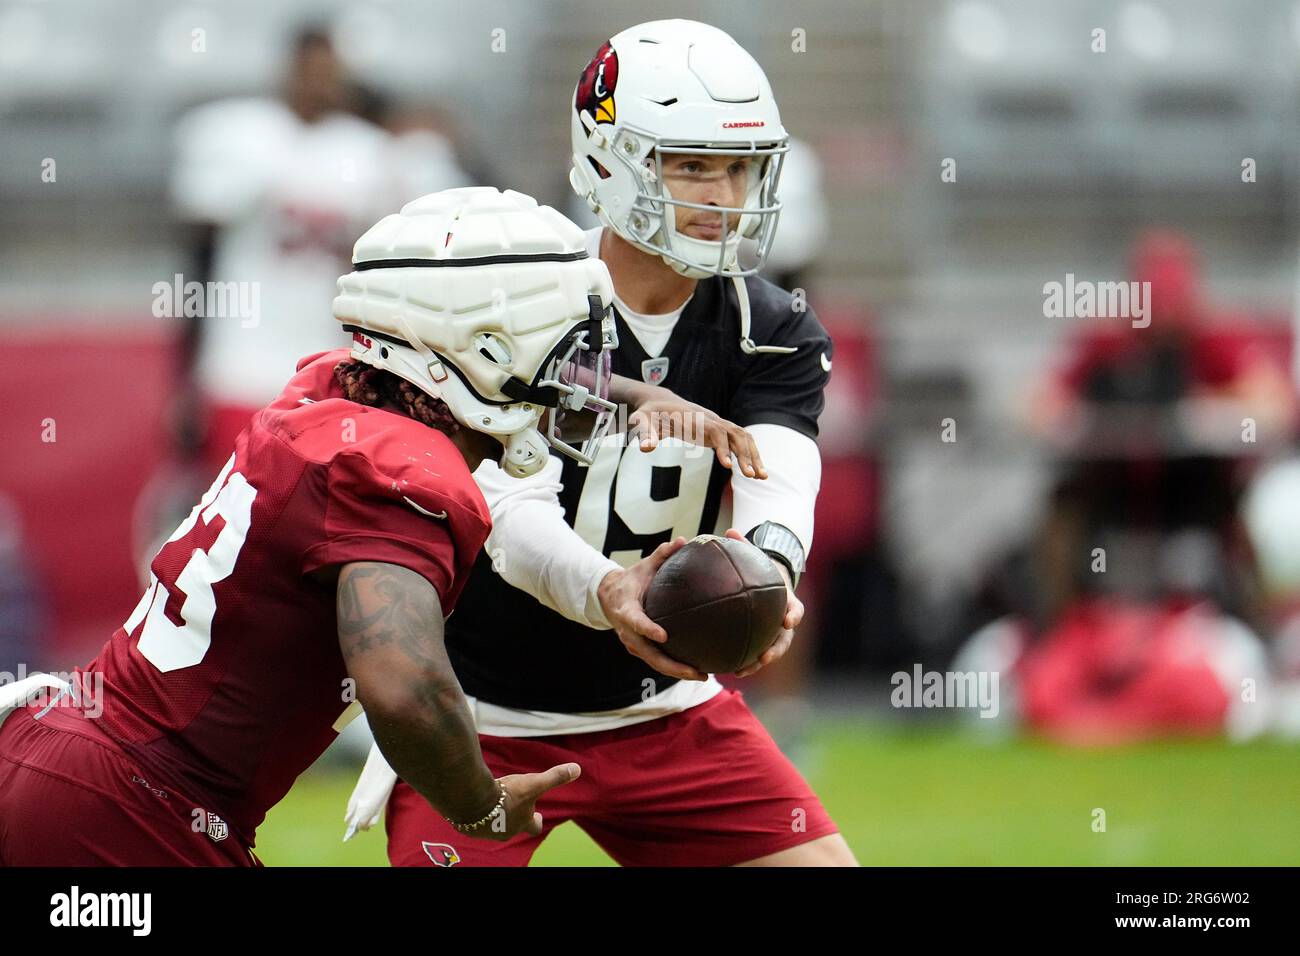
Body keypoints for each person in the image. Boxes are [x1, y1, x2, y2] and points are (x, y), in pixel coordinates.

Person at [347, 20, 858, 867]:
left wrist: (772, 570)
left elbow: (780, 471)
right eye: (691, 163)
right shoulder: (517, 303)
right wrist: (613, 592)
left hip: (668, 712)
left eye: (738, 166)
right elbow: (511, 515)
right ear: (609, 159)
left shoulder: (773, 327)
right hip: (483, 722)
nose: (723, 194)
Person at [0, 187, 629, 865]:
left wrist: (664, 406)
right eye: (561, 352)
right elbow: (405, 686)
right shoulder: (403, 471)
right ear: (484, 348)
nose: (581, 379)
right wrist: (481, 803)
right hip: (132, 805)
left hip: (69, 759)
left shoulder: (332, 395)